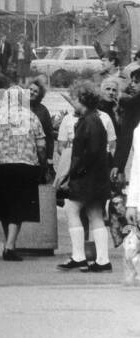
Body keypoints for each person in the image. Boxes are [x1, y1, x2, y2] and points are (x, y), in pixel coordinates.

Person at [0, 74, 47, 260]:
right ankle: (10, 246)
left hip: (0, 166)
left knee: (5, 206)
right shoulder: (31, 116)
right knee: (18, 206)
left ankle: (8, 243)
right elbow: (42, 146)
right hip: (26, 166)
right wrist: (43, 165)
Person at [57, 85, 112, 274]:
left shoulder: (87, 121)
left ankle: (79, 256)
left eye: (74, 99)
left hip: (86, 177)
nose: (72, 102)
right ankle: (102, 260)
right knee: (95, 214)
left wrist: (76, 171)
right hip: (98, 177)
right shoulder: (95, 119)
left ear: (82, 100)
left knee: (71, 209)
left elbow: (88, 152)